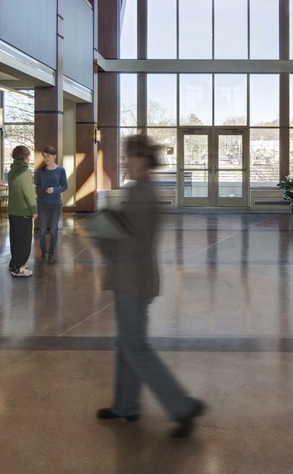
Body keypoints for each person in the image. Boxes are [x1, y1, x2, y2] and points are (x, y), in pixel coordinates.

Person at [96, 134, 206, 439]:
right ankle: (126, 405)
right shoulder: (140, 191)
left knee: (135, 348)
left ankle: (181, 406)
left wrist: (101, 235)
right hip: (135, 278)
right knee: (127, 344)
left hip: (132, 279)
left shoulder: (141, 195)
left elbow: (129, 245)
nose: (124, 162)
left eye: (128, 157)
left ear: (142, 159)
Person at [6, 145, 37, 278]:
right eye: (28, 156)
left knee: (15, 239)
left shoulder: (12, 170)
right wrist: (34, 209)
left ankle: (14, 263)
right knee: (24, 241)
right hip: (23, 210)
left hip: (13, 210)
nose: (29, 158)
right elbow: (28, 193)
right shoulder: (24, 172)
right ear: (25, 157)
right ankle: (18, 268)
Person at [35, 146, 68, 263]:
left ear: (54, 156)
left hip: (55, 204)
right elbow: (36, 187)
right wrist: (42, 191)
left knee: (53, 230)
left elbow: (65, 186)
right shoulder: (40, 170)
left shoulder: (61, 170)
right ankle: (43, 253)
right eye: (44, 156)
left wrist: (54, 190)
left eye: (48, 156)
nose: (45, 158)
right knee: (42, 230)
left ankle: (51, 254)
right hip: (42, 203)